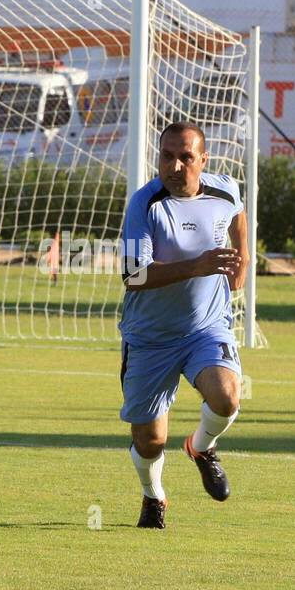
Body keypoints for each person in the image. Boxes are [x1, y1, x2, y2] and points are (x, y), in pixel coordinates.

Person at [120, 121, 247, 529]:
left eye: (185, 157)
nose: (174, 166)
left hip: (206, 327)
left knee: (227, 396)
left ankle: (201, 447)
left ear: (203, 160)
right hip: (151, 336)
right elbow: (132, 275)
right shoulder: (146, 203)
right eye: (166, 156)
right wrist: (198, 266)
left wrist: (242, 257)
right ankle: (153, 495)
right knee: (150, 440)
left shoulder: (224, 189)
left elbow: (239, 214)